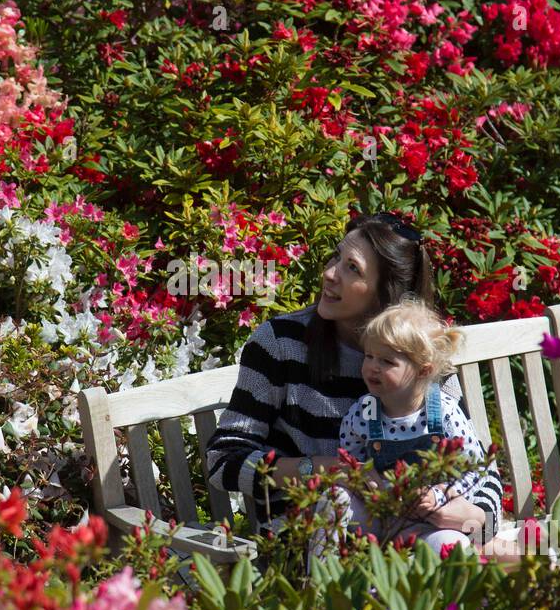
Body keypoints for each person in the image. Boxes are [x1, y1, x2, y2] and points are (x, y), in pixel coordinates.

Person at [205, 211, 504, 549]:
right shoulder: (280, 344)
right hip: (310, 544)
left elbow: (480, 472)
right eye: (336, 257)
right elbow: (223, 460)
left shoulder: (423, 357)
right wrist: (320, 470)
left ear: (383, 295)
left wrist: (472, 515)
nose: (330, 274)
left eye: (352, 268)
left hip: (413, 537)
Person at [307, 300, 500, 565]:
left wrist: (439, 495)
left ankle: (448, 603)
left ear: (424, 370)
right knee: (335, 499)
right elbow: (348, 459)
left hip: (432, 523)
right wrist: (361, 476)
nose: (372, 367)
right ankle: (319, 585)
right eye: (369, 356)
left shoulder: (443, 412)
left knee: (451, 546)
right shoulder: (364, 412)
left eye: (387, 361)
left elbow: (475, 469)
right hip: (381, 514)